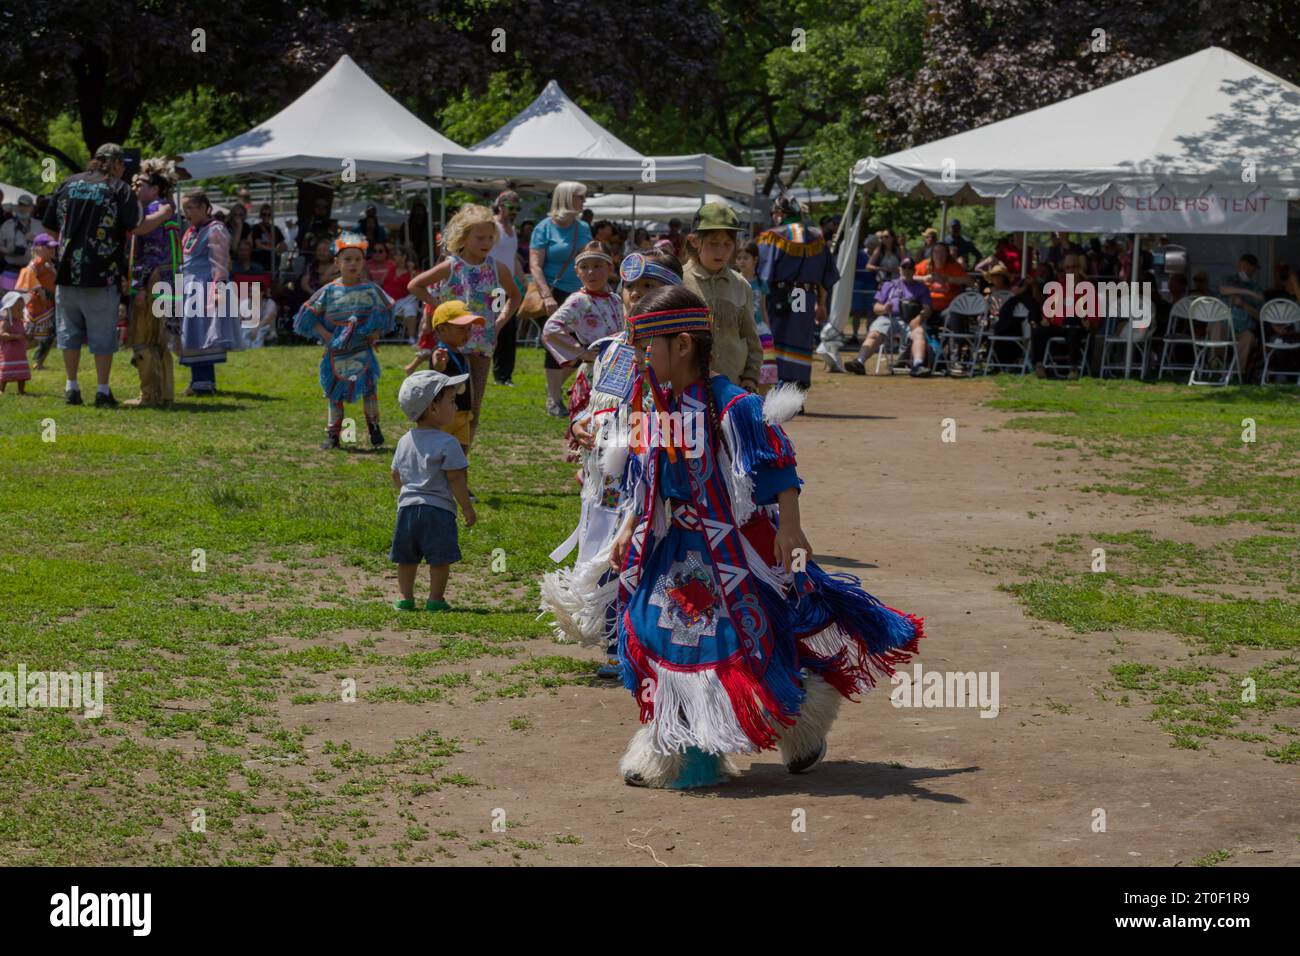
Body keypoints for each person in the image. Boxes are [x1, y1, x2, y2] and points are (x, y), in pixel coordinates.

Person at [606, 284, 925, 789]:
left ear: (683, 345)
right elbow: (646, 476)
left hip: (735, 549)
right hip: (673, 550)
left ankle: (796, 714)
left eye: (651, 346)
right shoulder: (658, 407)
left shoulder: (736, 407)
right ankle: (668, 746)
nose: (645, 358)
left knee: (740, 644)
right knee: (658, 640)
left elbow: (776, 465)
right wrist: (628, 527)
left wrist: (792, 528)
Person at [540, 249, 684, 679]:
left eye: (648, 288)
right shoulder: (611, 350)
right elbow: (593, 402)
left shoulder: (678, 350)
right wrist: (583, 426)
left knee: (650, 551)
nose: (635, 295)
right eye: (630, 287)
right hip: (608, 478)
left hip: (656, 474)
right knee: (609, 553)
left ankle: (654, 645)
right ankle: (618, 644)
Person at [40, 142, 142, 406]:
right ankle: (102, 390)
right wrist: (164, 214)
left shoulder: (67, 184)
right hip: (102, 274)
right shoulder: (119, 188)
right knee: (102, 336)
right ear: (117, 164)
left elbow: (50, 229)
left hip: (67, 273)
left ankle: (71, 387)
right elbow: (136, 226)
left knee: (69, 334)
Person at [408, 203, 520, 437]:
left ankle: (461, 454)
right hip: (451, 344)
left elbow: (515, 296)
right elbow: (415, 285)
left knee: (473, 404)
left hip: (482, 344)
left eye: (490, 237)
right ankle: (436, 444)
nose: (486, 243)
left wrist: (498, 324)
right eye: (479, 237)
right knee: (444, 398)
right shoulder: (451, 266)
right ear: (463, 238)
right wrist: (442, 310)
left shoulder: (497, 268)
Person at [293, 232, 393, 449]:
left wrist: (375, 332)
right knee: (334, 392)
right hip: (336, 350)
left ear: (364, 263)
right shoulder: (329, 291)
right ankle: (333, 433)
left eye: (358, 259)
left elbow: (384, 313)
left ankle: (374, 427)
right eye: (347, 259)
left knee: (369, 389)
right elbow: (307, 314)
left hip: (362, 347)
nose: (353, 264)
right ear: (336, 262)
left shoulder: (370, 290)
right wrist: (326, 334)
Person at [390, 370, 476, 612]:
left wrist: (404, 494)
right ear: (432, 409)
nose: (456, 404)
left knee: (406, 557)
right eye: (451, 400)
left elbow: (395, 473)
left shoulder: (404, 440)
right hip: (438, 511)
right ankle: (435, 599)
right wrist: (467, 508)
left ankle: (405, 597)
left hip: (406, 509)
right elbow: (456, 477)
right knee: (439, 558)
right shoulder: (448, 443)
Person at [757, 196, 840, 391]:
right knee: (797, 338)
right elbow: (824, 277)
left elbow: (762, 273)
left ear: (780, 214)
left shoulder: (772, 236)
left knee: (776, 337)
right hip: (801, 295)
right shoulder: (816, 237)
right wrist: (822, 303)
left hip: (777, 295)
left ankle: (777, 387)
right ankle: (796, 389)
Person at [682, 202, 761, 389]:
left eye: (727, 244)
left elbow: (750, 338)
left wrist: (750, 377)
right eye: (713, 243)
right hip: (688, 387)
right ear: (694, 241)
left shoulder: (741, 285)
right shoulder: (678, 281)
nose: (721, 251)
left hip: (732, 386)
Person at [530, 182, 594, 413]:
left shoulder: (583, 227)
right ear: (567, 198)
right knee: (555, 343)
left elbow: (589, 258)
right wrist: (547, 295)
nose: (584, 202)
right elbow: (535, 265)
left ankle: (554, 391)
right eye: (580, 197)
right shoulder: (544, 228)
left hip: (578, 294)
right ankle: (554, 399)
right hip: (552, 292)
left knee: (583, 344)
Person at [541, 241, 624, 415]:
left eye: (597, 266)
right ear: (577, 272)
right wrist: (581, 353)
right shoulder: (578, 300)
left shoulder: (615, 299)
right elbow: (551, 328)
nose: (591, 272)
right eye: (584, 267)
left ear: (610, 268)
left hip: (618, 373)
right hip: (593, 373)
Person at [124, 157, 181, 406]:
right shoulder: (166, 209)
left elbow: (151, 252)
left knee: (143, 337)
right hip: (168, 278)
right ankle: (165, 393)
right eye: (135, 183)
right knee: (160, 338)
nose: (136, 187)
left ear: (156, 188)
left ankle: (149, 395)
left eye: (142, 183)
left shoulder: (151, 211)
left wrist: (138, 286)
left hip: (153, 279)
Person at [176, 190, 243, 396]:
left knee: (203, 333)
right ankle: (199, 380)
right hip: (189, 285)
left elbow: (220, 260)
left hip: (205, 286)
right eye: (184, 208)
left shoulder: (215, 230)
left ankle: (204, 382)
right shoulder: (191, 231)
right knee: (192, 333)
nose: (187, 213)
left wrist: (219, 288)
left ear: (205, 208)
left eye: (191, 208)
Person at [845, 257, 933, 376]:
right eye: (904, 267)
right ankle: (859, 362)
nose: (907, 270)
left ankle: (918, 366)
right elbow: (876, 307)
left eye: (910, 268)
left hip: (911, 320)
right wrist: (884, 308)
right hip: (888, 317)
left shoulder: (922, 288)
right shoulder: (889, 284)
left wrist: (918, 319)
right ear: (899, 269)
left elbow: (927, 309)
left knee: (919, 332)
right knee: (874, 333)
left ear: (914, 270)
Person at [1032, 253, 1098, 378]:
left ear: (1079, 268)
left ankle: (1073, 368)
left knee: (1072, 325)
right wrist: (1046, 318)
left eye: (1073, 267)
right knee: (1039, 331)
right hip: (1060, 324)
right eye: (1067, 267)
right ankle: (1039, 365)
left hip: (1078, 325)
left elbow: (1094, 311)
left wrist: (1089, 321)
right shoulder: (1059, 287)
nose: (1071, 270)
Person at [489, 190, 522, 387]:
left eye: (517, 208)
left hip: (510, 287)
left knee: (509, 330)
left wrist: (520, 279)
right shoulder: (492, 226)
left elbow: (512, 256)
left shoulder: (512, 228)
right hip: (494, 286)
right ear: (500, 205)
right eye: (511, 207)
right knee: (499, 328)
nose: (514, 211)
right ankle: (498, 373)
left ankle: (505, 375)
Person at [734, 240, 776, 387]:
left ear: (755, 260)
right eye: (739, 258)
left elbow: (763, 309)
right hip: (740, 332)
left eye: (746, 258)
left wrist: (769, 330)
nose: (741, 262)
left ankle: (763, 406)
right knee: (742, 370)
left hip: (760, 329)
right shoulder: (733, 281)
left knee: (766, 371)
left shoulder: (761, 282)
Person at [15, 233, 58, 370]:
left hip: (49, 304)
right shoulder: (36, 263)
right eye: (49, 248)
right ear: (38, 248)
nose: (52, 250)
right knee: (29, 336)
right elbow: (27, 274)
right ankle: (14, 357)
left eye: (53, 248)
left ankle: (38, 362)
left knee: (49, 335)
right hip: (37, 304)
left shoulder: (50, 264)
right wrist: (39, 290)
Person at [1218, 252, 1263, 378]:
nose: (1249, 271)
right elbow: (1223, 289)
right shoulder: (1228, 280)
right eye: (1244, 266)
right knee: (1216, 325)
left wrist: (1243, 303)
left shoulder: (1257, 288)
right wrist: (1248, 292)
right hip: (1225, 326)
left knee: (1249, 336)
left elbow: (1260, 316)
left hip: (1242, 330)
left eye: (1251, 268)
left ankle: (1236, 372)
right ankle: (1216, 363)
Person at [383, 245, 419, 342]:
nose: (394, 257)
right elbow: (383, 284)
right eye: (394, 255)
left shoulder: (411, 272)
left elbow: (414, 286)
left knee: (410, 307)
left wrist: (411, 270)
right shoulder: (391, 269)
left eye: (397, 255)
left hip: (404, 301)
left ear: (404, 257)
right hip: (388, 301)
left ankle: (411, 338)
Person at [0, 290, 32, 393]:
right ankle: (1, 389)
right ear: (9, 309)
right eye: (18, 311)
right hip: (8, 354)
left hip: (20, 353)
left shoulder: (20, 322)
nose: (21, 313)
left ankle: (21, 390)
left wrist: (27, 336)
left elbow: (22, 334)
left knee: (22, 373)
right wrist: (14, 336)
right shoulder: (6, 322)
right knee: (5, 372)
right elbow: (1, 334)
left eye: (22, 310)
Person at [0, 193, 35, 273]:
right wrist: (7, 250)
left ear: (32, 208)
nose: (23, 209)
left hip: (31, 271)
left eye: (26, 206)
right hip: (10, 269)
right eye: (21, 205)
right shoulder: (7, 224)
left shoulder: (39, 226)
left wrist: (36, 239)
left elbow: (48, 247)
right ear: (17, 206)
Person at [249, 204, 286, 272]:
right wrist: (274, 249)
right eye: (264, 214)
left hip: (274, 263)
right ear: (260, 215)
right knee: (259, 282)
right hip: (259, 262)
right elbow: (258, 245)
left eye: (269, 214)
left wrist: (282, 247)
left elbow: (283, 244)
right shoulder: (256, 228)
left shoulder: (275, 229)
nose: (266, 216)